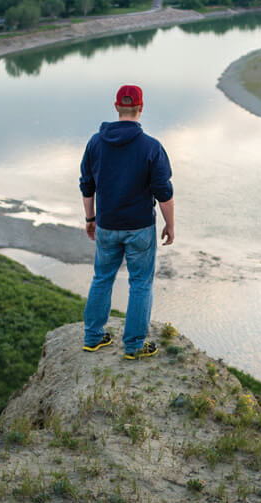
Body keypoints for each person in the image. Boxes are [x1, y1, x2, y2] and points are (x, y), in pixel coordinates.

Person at [79, 83, 175, 360]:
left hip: (107, 225)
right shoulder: (151, 147)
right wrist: (170, 225)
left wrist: (90, 218)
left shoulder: (95, 143)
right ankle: (133, 346)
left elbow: (87, 185)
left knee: (102, 278)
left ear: (116, 107)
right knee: (141, 284)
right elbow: (163, 192)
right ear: (140, 108)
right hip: (140, 227)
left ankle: (93, 337)